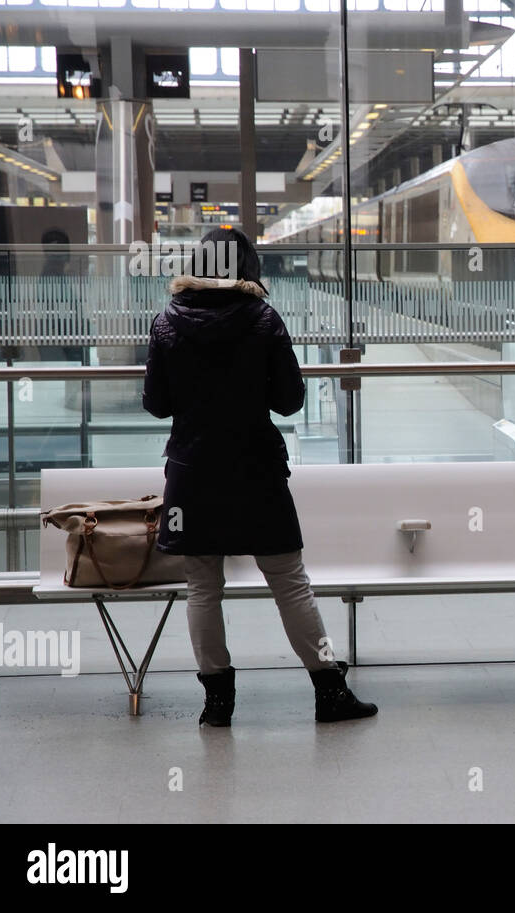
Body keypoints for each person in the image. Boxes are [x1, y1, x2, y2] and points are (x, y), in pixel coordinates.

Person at [142, 227, 376, 726]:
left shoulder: (166, 322)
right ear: (248, 268)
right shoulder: (263, 318)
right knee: (290, 582)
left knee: (202, 587)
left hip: (191, 469)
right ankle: (329, 692)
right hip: (256, 467)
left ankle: (217, 704)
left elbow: (157, 404)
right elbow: (289, 400)